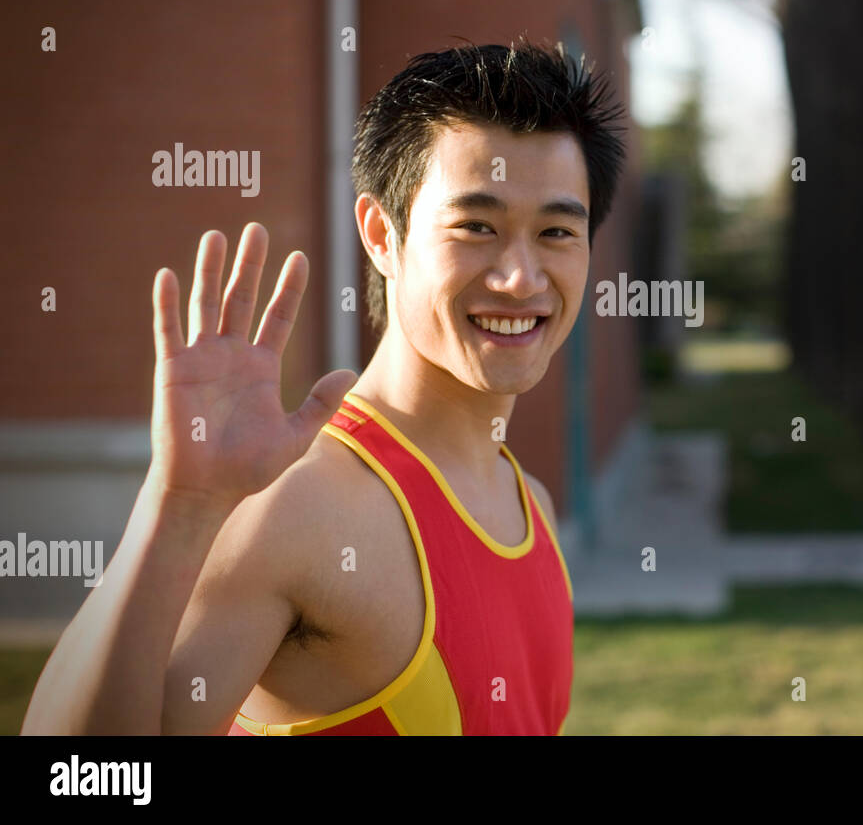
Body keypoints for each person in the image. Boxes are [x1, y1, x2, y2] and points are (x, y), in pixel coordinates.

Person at [22, 40, 627, 735]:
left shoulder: (534, 509)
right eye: (476, 227)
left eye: (556, 231)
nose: (521, 277)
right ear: (381, 234)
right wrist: (181, 506)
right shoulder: (298, 506)